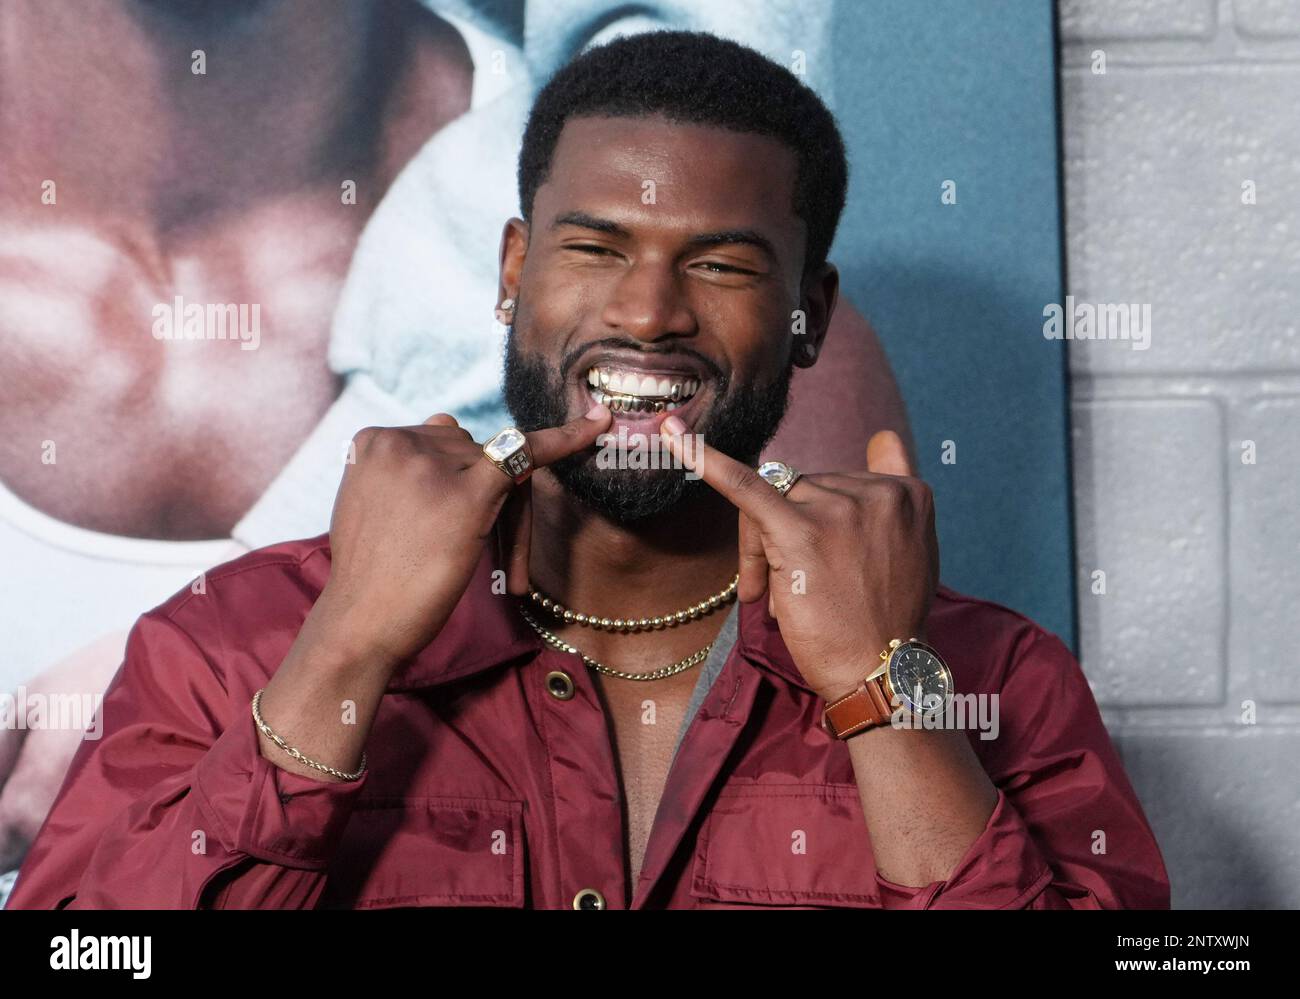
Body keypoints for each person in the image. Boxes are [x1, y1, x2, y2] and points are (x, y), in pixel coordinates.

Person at [6, 29, 1167, 910]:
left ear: (807, 314)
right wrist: (348, 646)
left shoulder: (989, 677)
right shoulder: (230, 643)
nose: (648, 313)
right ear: (513, 272)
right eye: (594, 248)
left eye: (718, 265)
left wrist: (877, 684)